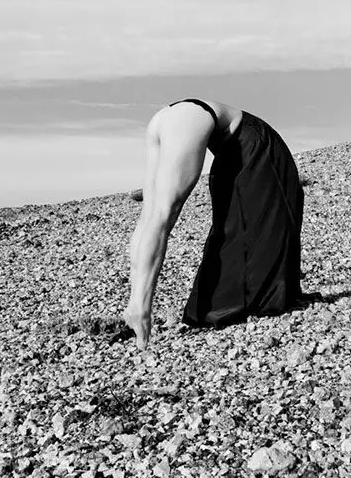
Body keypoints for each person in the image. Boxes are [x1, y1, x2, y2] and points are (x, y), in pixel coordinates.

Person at [123, 98, 305, 349]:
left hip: (165, 117)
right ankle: (140, 308)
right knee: (163, 214)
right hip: (204, 121)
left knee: (151, 214)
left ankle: (136, 302)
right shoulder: (265, 147)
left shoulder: (176, 118)